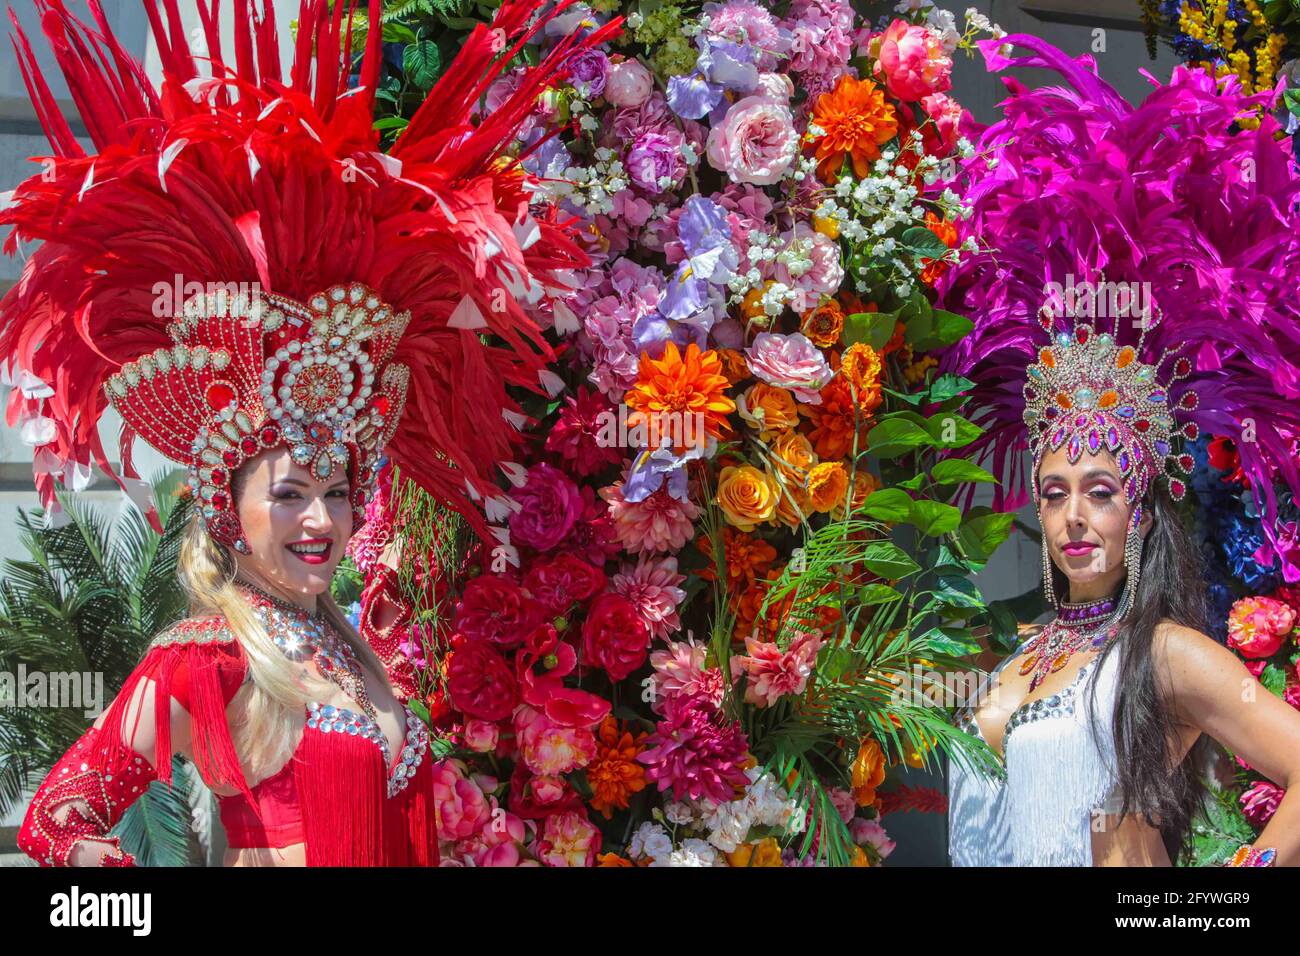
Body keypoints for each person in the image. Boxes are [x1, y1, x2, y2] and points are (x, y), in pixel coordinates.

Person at [4, 0, 619, 866]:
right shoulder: (207, 656)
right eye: (289, 494)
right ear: (228, 508)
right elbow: (55, 822)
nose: (322, 520)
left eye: (336, 491)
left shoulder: (353, 647)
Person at [946, 307, 1300, 866]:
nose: (1075, 516)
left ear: (1143, 515)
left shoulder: (1164, 652)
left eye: (1102, 491)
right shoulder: (1020, 655)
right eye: (1055, 493)